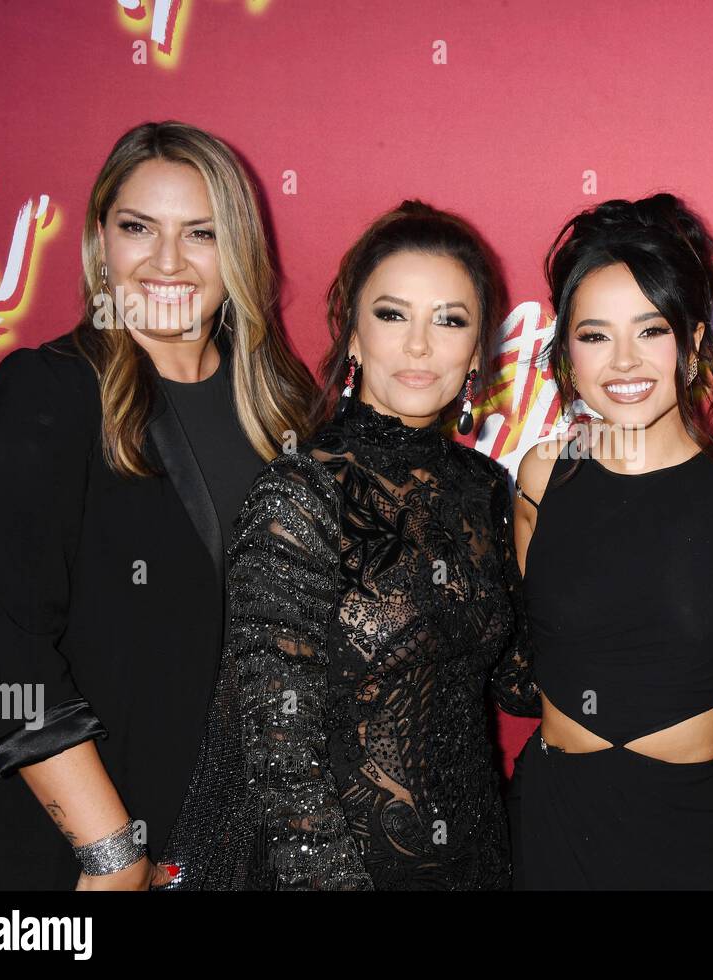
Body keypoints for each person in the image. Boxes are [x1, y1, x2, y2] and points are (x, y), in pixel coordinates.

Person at [0, 120, 317, 890]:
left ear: (239, 249)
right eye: (139, 227)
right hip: (88, 850)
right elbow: (5, 657)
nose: (168, 262)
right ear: (100, 242)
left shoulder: (283, 405)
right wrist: (112, 855)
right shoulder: (48, 393)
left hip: (251, 846)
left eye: (202, 233)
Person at [158, 200, 541, 890]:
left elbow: (521, 685)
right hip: (334, 870)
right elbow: (276, 739)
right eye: (393, 315)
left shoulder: (485, 488)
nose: (419, 346)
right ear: (354, 337)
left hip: (479, 862)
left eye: (449, 320)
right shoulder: (301, 489)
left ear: (478, 347)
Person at [511, 194, 713, 889]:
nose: (624, 361)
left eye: (651, 330)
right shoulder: (543, 474)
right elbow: (542, 641)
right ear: (566, 353)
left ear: (694, 342)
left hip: (695, 825)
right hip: (556, 821)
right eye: (595, 334)